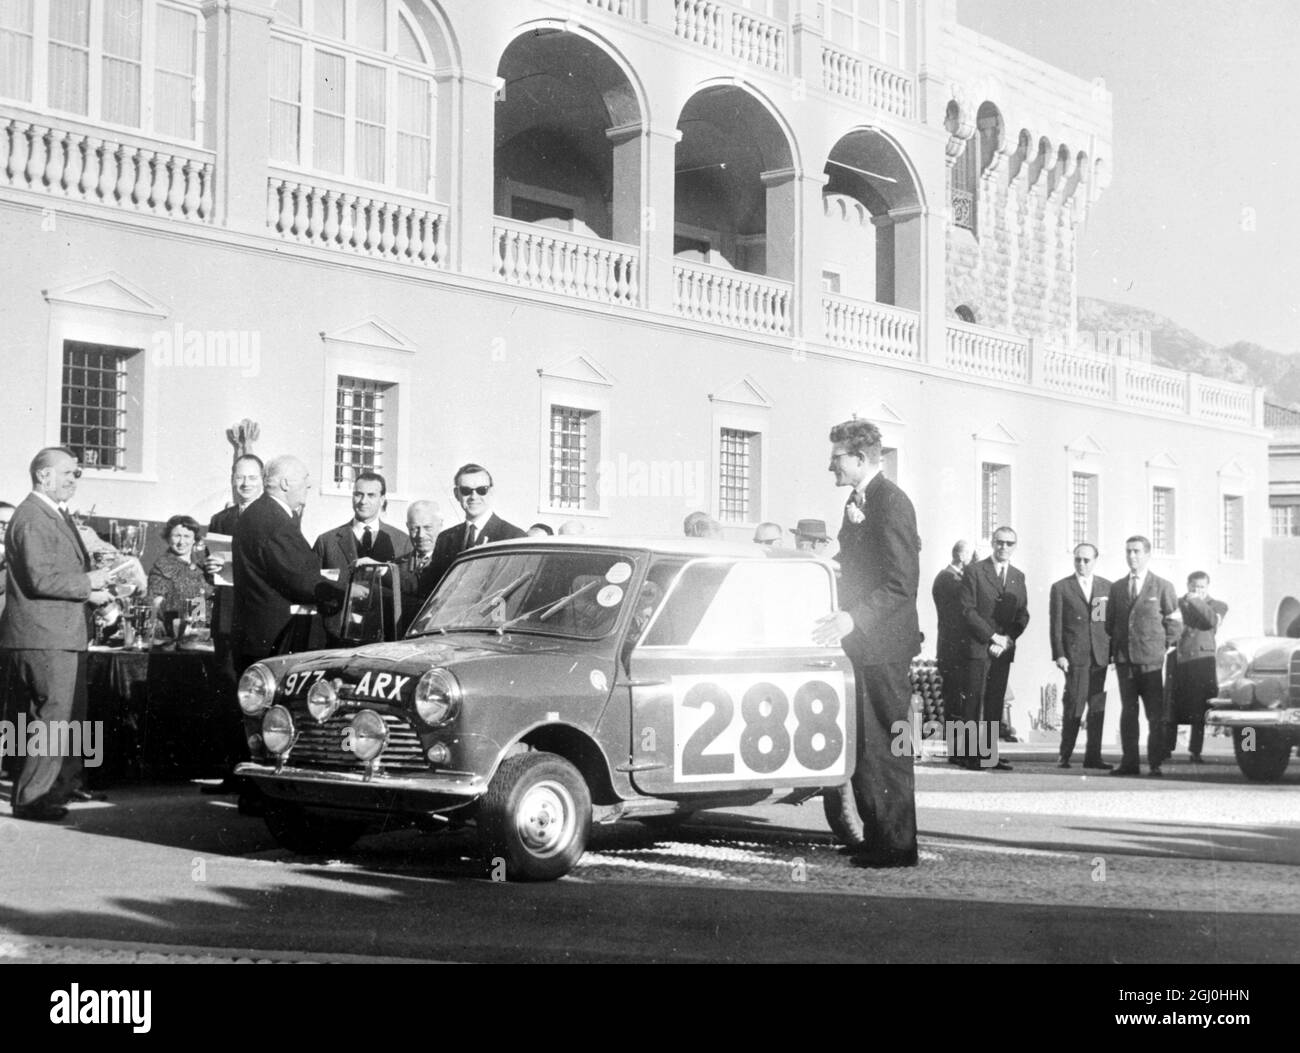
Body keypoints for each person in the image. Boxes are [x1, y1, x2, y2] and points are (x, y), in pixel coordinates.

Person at [812, 419, 921, 869]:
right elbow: (861, 565)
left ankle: (896, 846)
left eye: (837, 457)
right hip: (862, 645)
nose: (830, 465)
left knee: (886, 744)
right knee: (863, 744)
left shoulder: (892, 504)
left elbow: (901, 583)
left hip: (884, 647)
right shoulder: (856, 502)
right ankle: (876, 835)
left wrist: (853, 617)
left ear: (860, 459)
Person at [0, 448, 113, 821]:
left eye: (77, 473)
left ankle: (44, 790)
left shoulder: (46, 515)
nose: (74, 479)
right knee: (52, 718)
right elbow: (40, 578)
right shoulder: (34, 516)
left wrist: (93, 594)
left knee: (47, 717)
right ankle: (33, 797)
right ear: (43, 476)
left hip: (51, 633)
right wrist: (88, 582)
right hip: (47, 636)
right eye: (68, 473)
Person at [231, 455, 343, 672]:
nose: (308, 485)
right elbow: (301, 581)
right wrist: (345, 592)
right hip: (276, 639)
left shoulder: (257, 512)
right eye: (304, 480)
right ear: (285, 484)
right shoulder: (275, 521)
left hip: (256, 634)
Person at [1106, 535, 1179, 777]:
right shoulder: (1117, 588)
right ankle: (1130, 762)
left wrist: (1162, 647)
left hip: (1151, 662)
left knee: (1154, 715)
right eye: (1128, 551)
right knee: (1128, 712)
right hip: (1125, 660)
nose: (1132, 556)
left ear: (1148, 554)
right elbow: (1110, 623)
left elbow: (1175, 622)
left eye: (1137, 551)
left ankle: (1155, 763)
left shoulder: (1162, 586)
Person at [313, 470, 412, 643]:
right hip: (337, 636)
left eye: (371, 495)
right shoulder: (327, 541)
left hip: (384, 636)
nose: (363, 501)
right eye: (358, 494)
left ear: (382, 500)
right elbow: (315, 584)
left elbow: (406, 586)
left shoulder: (401, 541)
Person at [960, 526, 1029, 771]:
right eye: (1000, 542)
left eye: (1009, 543)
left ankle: (990, 754)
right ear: (992, 543)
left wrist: (1007, 639)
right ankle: (969, 755)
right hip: (979, 647)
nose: (1004, 547)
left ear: (1014, 546)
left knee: (994, 703)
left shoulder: (1018, 577)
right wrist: (993, 637)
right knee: (974, 702)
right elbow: (967, 610)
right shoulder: (975, 572)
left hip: (1003, 651)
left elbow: (1022, 614)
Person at [1048, 542, 1112, 769]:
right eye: (1078, 559)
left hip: (1100, 658)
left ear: (1095, 560)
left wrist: (1110, 654)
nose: (1082, 564)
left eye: (1086, 560)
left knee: (1097, 708)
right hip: (1075, 658)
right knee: (1074, 705)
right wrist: (1060, 654)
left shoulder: (1106, 588)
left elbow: (1105, 623)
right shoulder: (1062, 588)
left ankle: (1093, 757)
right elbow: (1056, 625)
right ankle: (1064, 755)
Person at [428, 463, 526, 588]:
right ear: (456, 494)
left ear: (491, 492)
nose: (474, 497)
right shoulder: (445, 539)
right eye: (466, 491)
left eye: (482, 490)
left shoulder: (514, 537)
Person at [1167, 571, 1227, 763]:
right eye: (1193, 587)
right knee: (1172, 706)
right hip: (1179, 659)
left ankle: (1195, 750)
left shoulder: (1218, 605)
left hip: (1201, 662)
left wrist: (1195, 600)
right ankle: (1166, 749)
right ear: (1187, 585)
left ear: (1207, 587)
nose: (1197, 590)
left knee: (1199, 707)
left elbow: (1210, 620)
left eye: (1201, 587)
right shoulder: (1177, 602)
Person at [932, 539, 971, 750]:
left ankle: (960, 745)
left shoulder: (950, 577)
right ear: (962, 556)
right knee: (955, 698)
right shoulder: (948, 579)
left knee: (958, 697)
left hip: (954, 648)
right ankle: (956, 746)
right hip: (952, 649)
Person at [147, 515, 213, 637]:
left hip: (206, 633)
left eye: (187, 536)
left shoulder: (204, 566)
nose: (182, 542)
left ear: (194, 539)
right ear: (168, 538)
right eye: (177, 536)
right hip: (176, 633)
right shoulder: (161, 567)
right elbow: (155, 603)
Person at [396, 500, 443, 633]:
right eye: (415, 528)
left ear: (440, 525)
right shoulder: (397, 567)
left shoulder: (450, 564)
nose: (421, 535)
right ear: (407, 527)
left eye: (428, 527)